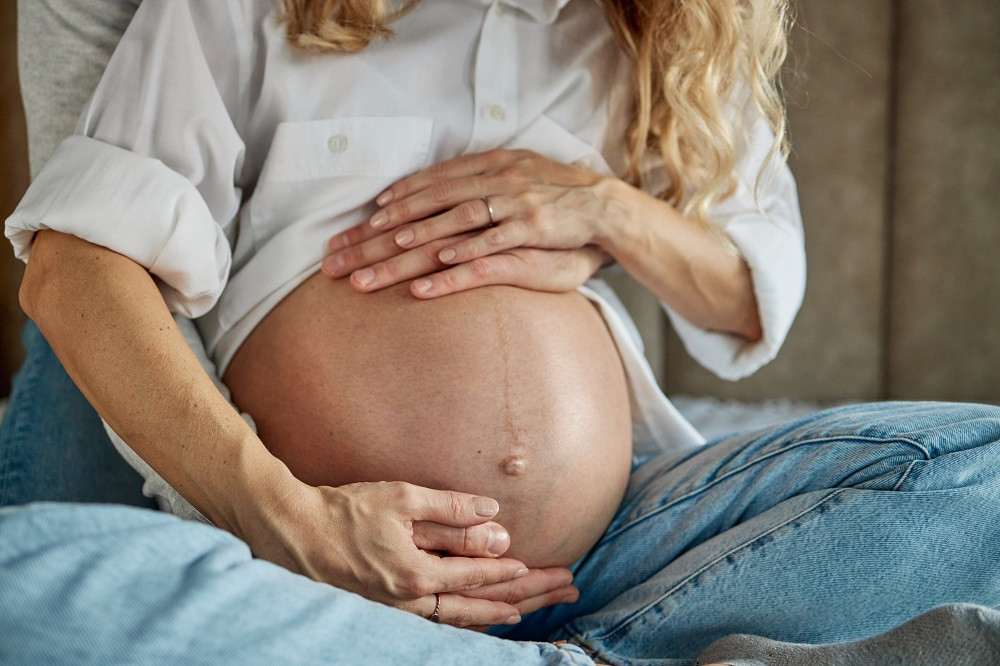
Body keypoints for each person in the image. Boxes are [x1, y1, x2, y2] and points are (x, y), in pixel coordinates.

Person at [2, 0, 999, 664]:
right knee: (26, 584)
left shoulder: (662, 25)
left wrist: (605, 209)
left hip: (622, 554)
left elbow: (749, 288)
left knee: (980, 470)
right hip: (313, 561)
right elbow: (74, 267)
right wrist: (290, 522)